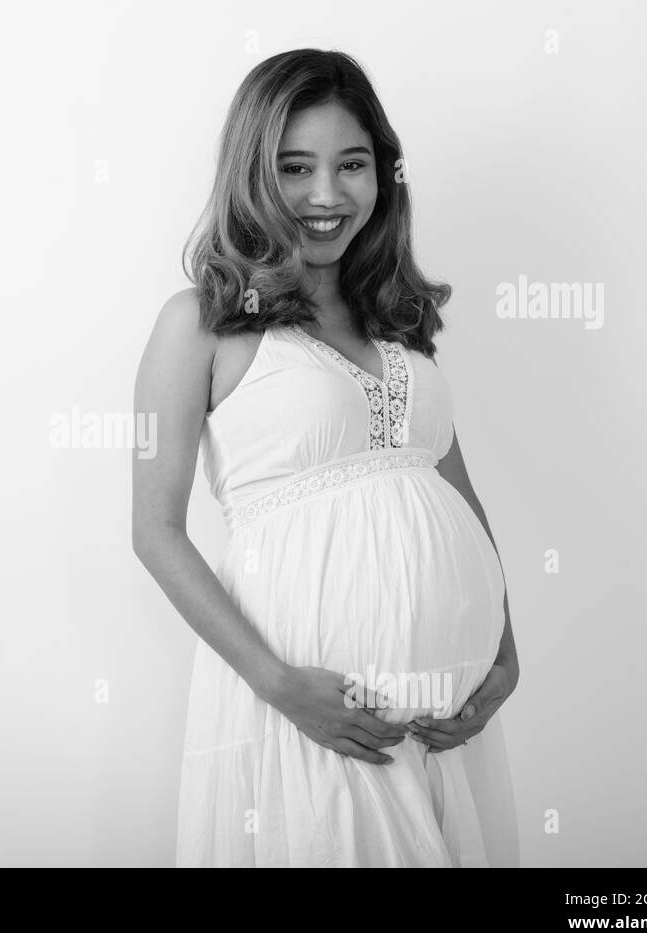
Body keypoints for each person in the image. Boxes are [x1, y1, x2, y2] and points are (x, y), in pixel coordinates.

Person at [131, 49, 521, 867]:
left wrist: (504, 650)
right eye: (295, 166)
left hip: (444, 726)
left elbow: (459, 499)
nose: (325, 195)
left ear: (385, 174)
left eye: (353, 164)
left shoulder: (399, 321)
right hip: (307, 720)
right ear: (252, 172)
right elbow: (156, 531)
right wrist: (281, 687)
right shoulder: (198, 324)